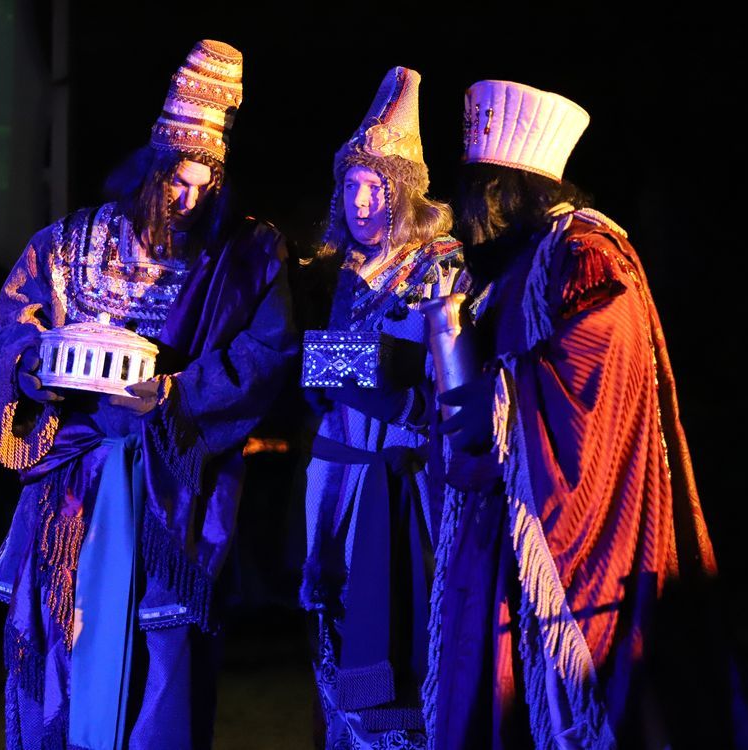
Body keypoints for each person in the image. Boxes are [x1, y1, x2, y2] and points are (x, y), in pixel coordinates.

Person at [423, 79, 748, 749]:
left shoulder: (588, 251)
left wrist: (502, 393)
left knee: (600, 698)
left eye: (478, 189)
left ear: (504, 187)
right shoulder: (523, 260)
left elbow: (596, 362)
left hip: (585, 515)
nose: (468, 209)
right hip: (515, 504)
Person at [0, 40, 298, 750]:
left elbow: (266, 350)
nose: (188, 200)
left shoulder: (246, 255)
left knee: (161, 656)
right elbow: (12, 328)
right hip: (76, 478)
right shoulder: (71, 242)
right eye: (177, 183)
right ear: (153, 173)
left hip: (171, 481)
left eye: (203, 186)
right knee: (64, 635)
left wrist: (178, 392)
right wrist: (37, 367)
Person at [298, 66, 460, 749]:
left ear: (403, 193)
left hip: (405, 481)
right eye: (351, 186)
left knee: (405, 619)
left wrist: (389, 382)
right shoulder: (332, 274)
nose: (361, 200)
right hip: (336, 471)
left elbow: (449, 381)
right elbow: (315, 380)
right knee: (329, 613)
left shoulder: (441, 264)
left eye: (375, 187)